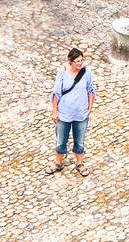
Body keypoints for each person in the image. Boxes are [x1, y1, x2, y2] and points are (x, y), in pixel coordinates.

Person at [47, 47, 95, 176]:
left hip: (81, 114)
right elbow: (56, 93)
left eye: (81, 60)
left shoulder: (86, 72)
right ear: (70, 61)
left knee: (79, 140)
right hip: (64, 113)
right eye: (77, 61)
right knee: (61, 140)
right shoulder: (62, 73)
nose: (80, 64)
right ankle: (58, 162)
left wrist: (89, 109)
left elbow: (91, 90)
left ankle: (79, 163)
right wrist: (54, 112)